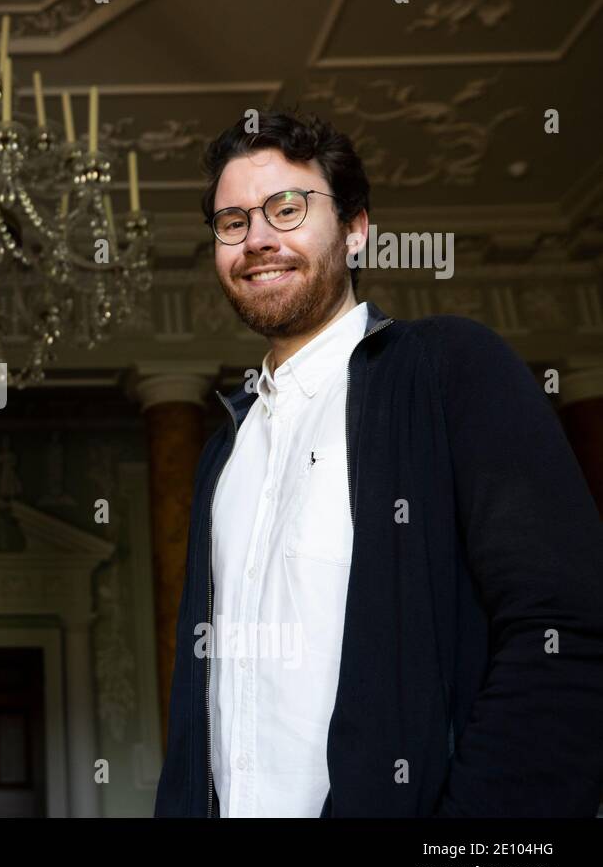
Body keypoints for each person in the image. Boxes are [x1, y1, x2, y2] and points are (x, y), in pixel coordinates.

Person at [154, 111, 603, 817]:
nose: (258, 239)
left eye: (287, 208)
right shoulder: (223, 451)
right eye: (232, 221)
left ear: (357, 229)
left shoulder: (450, 369)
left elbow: (567, 631)